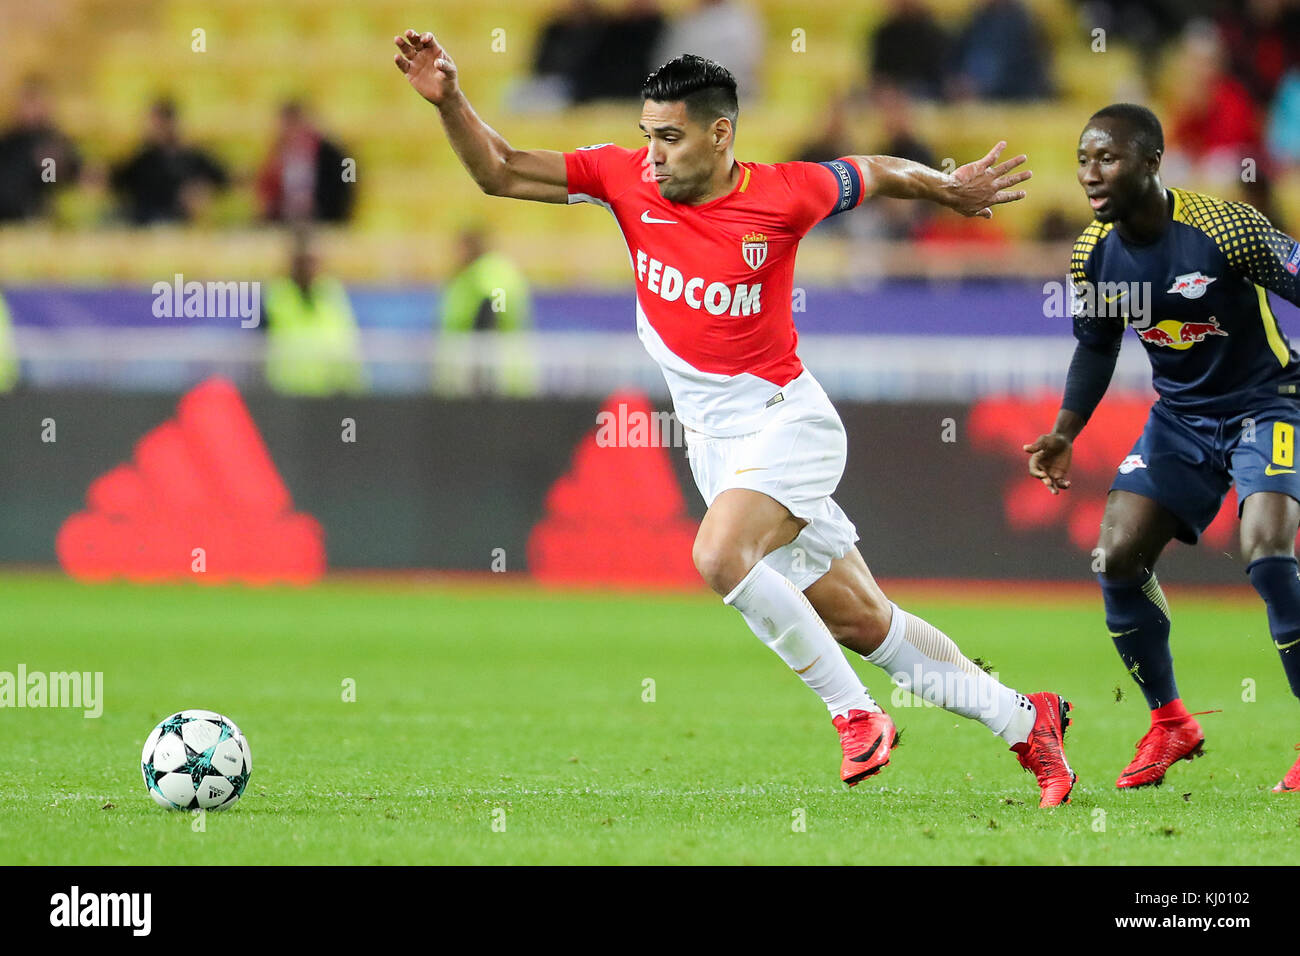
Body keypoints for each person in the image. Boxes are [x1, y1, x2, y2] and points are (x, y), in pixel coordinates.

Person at [395, 31, 1075, 806]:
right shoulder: (624, 177)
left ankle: (854, 715)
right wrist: (450, 100)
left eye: (671, 138)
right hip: (719, 450)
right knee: (866, 623)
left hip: (790, 423)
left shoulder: (785, 193)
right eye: (649, 134)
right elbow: (501, 170)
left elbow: (876, 171)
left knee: (719, 554)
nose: (652, 155)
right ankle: (1027, 721)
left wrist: (948, 186)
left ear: (721, 134)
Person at [1023, 103, 1300, 795]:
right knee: (1116, 556)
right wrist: (1064, 429)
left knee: (1268, 551)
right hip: (1181, 418)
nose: (1090, 173)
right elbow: (1095, 347)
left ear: (1150, 162)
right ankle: (1171, 721)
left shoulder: (1224, 228)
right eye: (1083, 159)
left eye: (1106, 158)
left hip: (1266, 404)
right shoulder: (1094, 252)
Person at [262, 234, 367, 396]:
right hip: (286, 393)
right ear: (293, 262)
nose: (308, 267)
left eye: (312, 261)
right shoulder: (276, 296)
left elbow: (347, 342)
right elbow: (258, 347)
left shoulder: (332, 293)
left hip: (329, 392)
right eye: (303, 261)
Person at [437, 228, 536, 395]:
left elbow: (496, 303)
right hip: (471, 374)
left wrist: (481, 356)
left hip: (495, 375)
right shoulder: (468, 274)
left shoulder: (491, 269)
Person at [110, 98, 227, 225]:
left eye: (157, 123)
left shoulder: (193, 156)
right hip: (143, 220)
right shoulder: (141, 158)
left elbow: (222, 179)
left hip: (179, 221)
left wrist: (202, 190)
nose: (152, 129)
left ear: (170, 123)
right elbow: (116, 182)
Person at [0, 75, 82, 221]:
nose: (30, 109)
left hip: (37, 219)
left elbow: (53, 182)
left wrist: (54, 166)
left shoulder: (55, 142)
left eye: (35, 102)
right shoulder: (8, 142)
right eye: (26, 102)